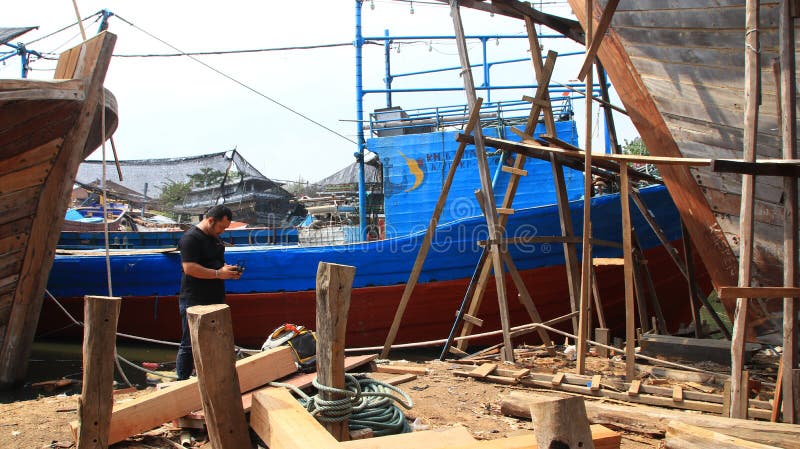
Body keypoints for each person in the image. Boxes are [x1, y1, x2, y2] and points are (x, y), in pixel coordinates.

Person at [175, 205, 242, 380]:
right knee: (189, 342)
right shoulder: (191, 238)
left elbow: (214, 263)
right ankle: (181, 381)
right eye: (221, 227)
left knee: (217, 338)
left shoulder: (215, 238)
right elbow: (189, 268)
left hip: (215, 296)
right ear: (211, 220)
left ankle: (212, 377)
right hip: (194, 297)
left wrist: (227, 270)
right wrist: (219, 274)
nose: (222, 231)